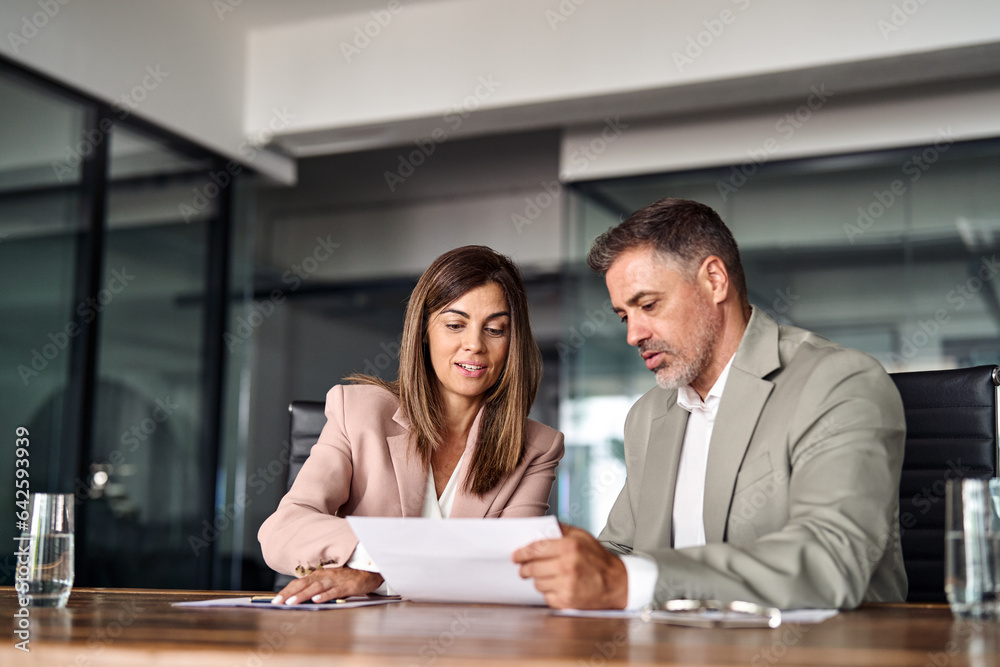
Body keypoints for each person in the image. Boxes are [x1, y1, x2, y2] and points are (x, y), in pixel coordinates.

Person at [514, 198, 907, 610]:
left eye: (648, 305)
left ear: (715, 280)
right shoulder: (648, 416)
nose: (633, 334)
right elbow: (622, 551)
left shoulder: (837, 382)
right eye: (624, 315)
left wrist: (630, 580)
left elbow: (830, 561)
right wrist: (566, 566)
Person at [260, 245, 564, 604]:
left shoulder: (537, 447)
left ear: (513, 342)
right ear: (424, 331)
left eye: (495, 330)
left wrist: (384, 572)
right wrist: (373, 562)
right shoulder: (357, 411)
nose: (474, 345)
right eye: (455, 325)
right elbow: (283, 530)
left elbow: (515, 570)